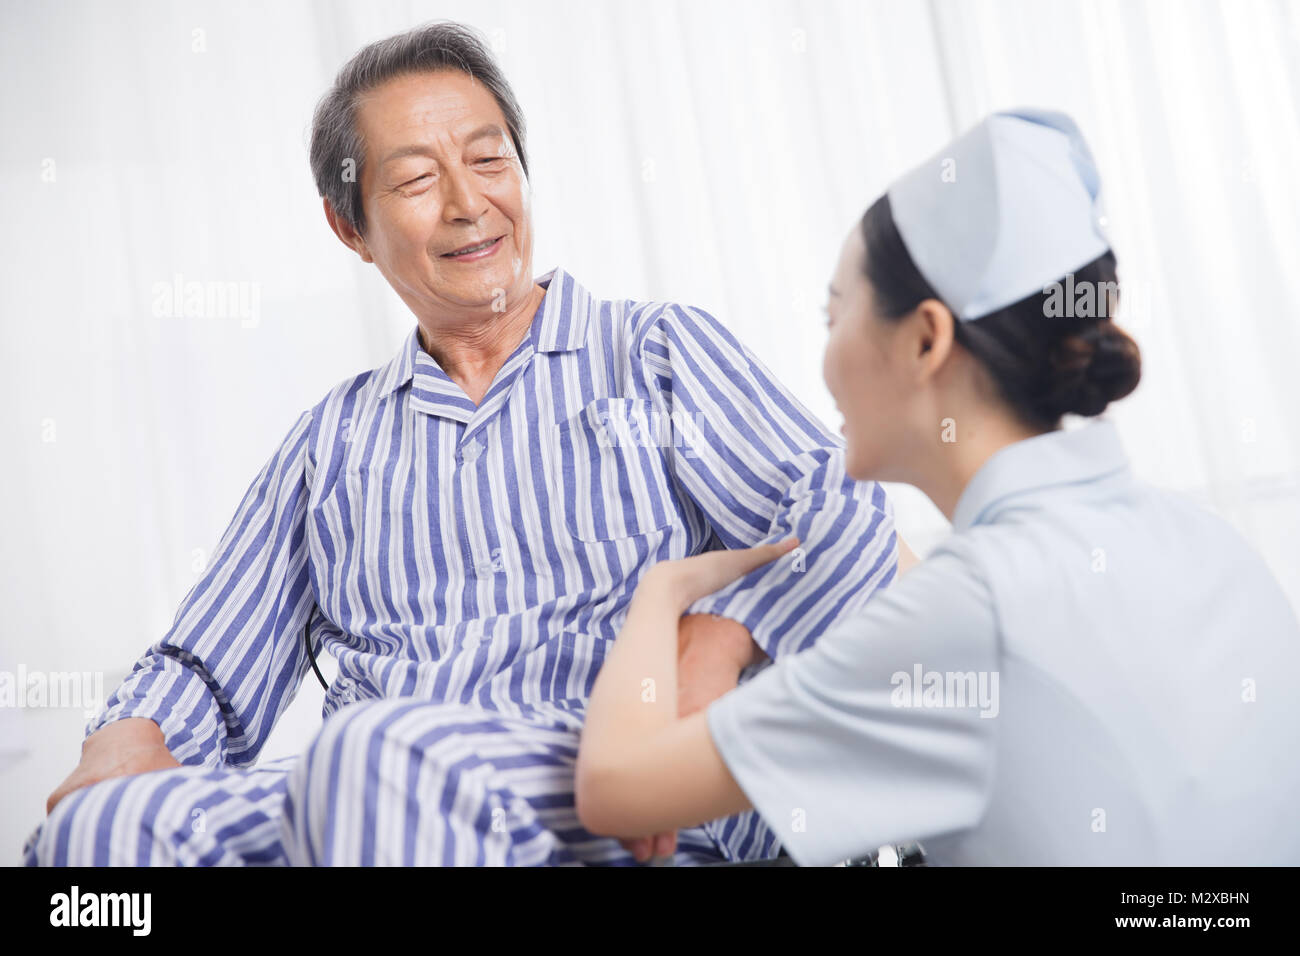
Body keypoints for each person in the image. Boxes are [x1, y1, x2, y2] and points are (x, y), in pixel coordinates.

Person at [22, 21, 911, 867]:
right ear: (350, 229)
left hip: (599, 785)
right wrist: (131, 730)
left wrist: (723, 634)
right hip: (360, 799)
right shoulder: (330, 443)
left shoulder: (657, 355)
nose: (467, 203)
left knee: (372, 756)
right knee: (95, 841)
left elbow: (845, 512)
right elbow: (205, 664)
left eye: (489, 161)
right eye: (414, 182)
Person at [575, 109, 1300, 866]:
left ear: (926, 339)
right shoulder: (1213, 545)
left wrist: (660, 596)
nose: (822, 360)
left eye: (834, 314)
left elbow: (618, 788)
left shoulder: (963, 615)